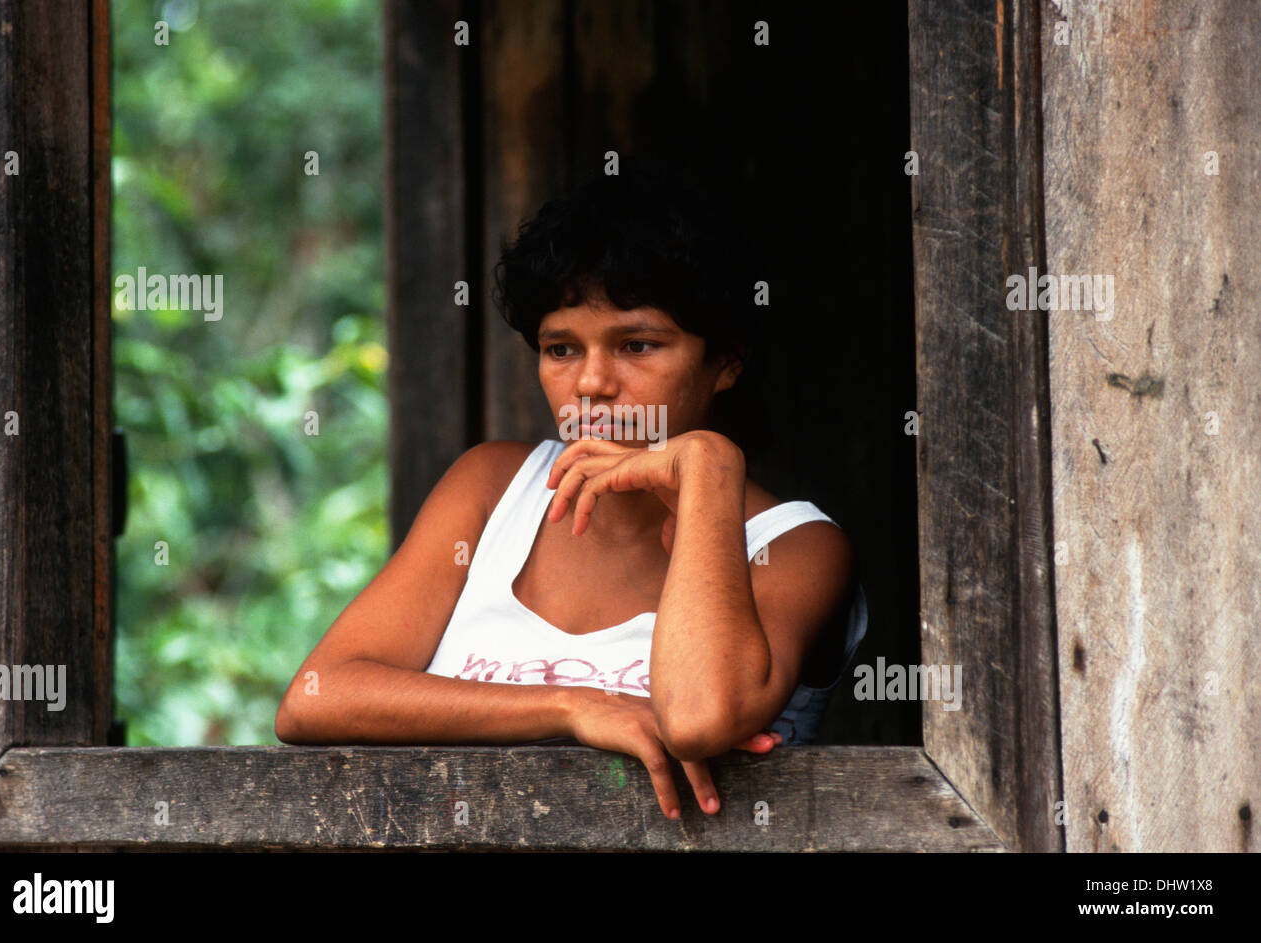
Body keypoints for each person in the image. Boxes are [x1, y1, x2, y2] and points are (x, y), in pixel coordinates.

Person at [275, 161, 868, 821]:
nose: (591, 382)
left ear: (725, 361)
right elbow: (315, 696)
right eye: (560, 349)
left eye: (637, 344)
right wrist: (572, 705)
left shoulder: (795, 545)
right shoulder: (494, 486)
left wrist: (707, 474)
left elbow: (700, 719)